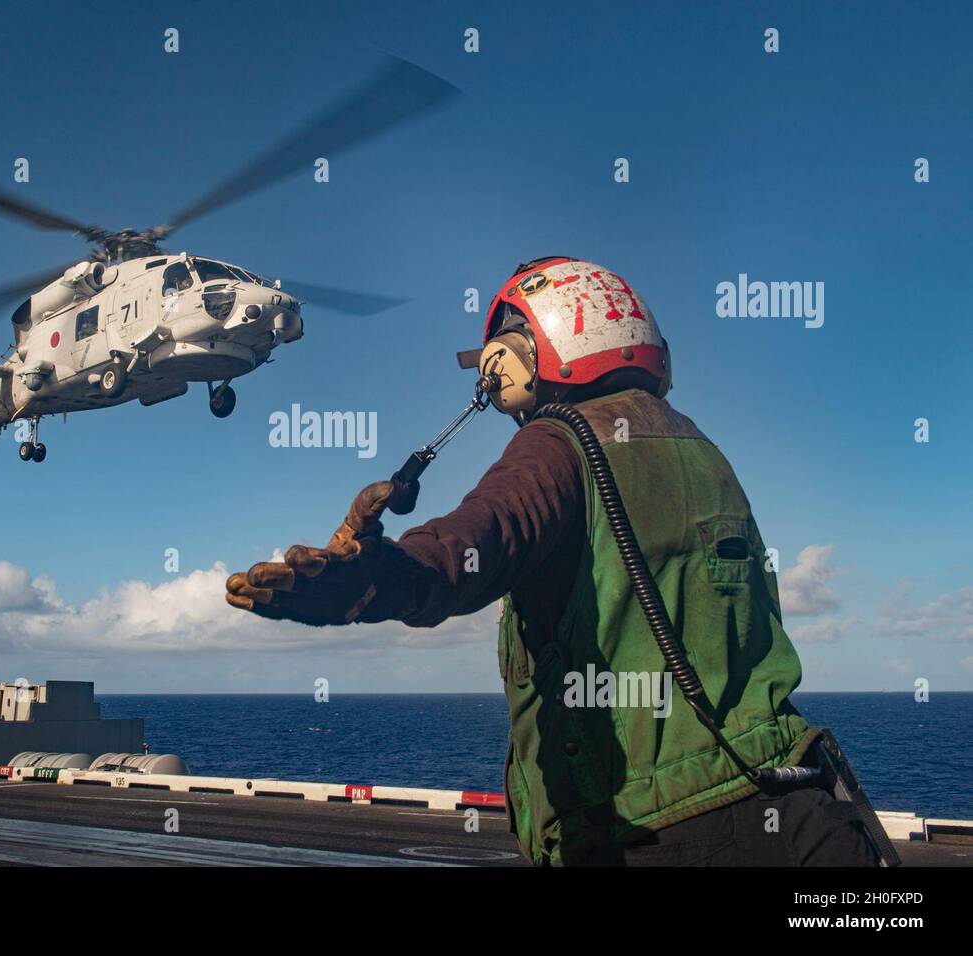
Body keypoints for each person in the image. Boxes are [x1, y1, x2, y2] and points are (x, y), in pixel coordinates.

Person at [226, 256, 879, 867]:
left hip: (650, 830)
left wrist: (374, 581)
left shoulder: (559, 442)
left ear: (531, 348)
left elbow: (475, 544)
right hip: (797, 810)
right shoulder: (700, 450)